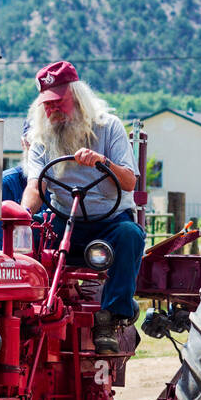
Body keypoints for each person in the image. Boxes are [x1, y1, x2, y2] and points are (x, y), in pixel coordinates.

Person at [20, 60, 145, 354]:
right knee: (27, 238)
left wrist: (103, 162)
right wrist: (23, 216)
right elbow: (35, 186)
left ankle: (110, 318)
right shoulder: (43, 138)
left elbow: (129, 182)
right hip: (66, 222)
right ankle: (26, 308)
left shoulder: (109, 127)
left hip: (109, 223)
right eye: (46, 105)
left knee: (131, 235)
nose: (52, 110)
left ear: (76, 98)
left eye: (58, 103)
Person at [3, 122, 32, 400]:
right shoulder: (10, 183)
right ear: (26, 142)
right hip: (21, 278)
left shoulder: (68, 183)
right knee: (18, 353)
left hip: (60, 277)